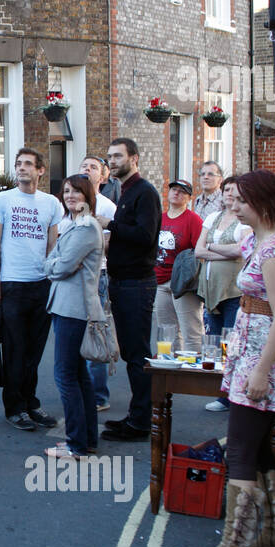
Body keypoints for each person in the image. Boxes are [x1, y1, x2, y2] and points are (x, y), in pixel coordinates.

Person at [185, 170, 275, 547]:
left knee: (241, 450)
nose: (233, 204)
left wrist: (261, 371)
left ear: (261, 203)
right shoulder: (255, 240)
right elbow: (219, 250)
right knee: (260, 450)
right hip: (249, 354)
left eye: (241, 200)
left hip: (265, 363)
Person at [0, 148, 62, 430]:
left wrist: (53, 281)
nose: (22, 168)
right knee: (16, 349)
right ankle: (14, 407)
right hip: (12, 284)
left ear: (40, 170)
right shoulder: (2, 199)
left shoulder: (52, 203)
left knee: (35, 349)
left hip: (41, 284)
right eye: (18, 164)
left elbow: (52, 245)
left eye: (28, 164)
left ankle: (31, 402)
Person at [102, 138, 163, 443]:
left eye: (117, 156)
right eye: (109, 156)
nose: (111, 161)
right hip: (123, 281)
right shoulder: (125, 190)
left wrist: (110, 225)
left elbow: (145, 235)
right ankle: (136, 415)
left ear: (134, 158)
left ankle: (141, 422)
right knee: (131, 352)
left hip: (136, 283)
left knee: (137, 354)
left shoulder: (145, 192)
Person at [42, 174, 105, 458]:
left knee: (65, 376)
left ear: (88, 195)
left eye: (76, 192)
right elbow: (57, 260)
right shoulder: (76, 224)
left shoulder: (85, 228)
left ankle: (76, 444)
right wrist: (55, 262)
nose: (70, 196)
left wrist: (53, 264)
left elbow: (59, 266)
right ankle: (86, 439)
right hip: (69, 306)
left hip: (73, 309)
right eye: (66, 191)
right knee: (79, 377)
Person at [195, 175, 250, 410]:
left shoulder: (244, 221)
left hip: (232, 291)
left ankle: (232, 395)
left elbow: (241, 249)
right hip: (210, 290)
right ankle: (220, 392)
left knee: (231, 343)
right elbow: (198, 251)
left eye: (234, 190)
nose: (229, 194)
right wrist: (223, 252)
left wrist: (212, 247)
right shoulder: (212, 217)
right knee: (214, 343)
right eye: (226, 189)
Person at [69, 155, 117, 412]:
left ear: (103, 176)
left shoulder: (107, 206)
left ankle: (98, 395)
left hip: (96, 276)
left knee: (95, 333)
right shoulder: (68, 204)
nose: (87, 169)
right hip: (70, 279)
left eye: (93, 167)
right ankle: (80, 388)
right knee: (72, 335)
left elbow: (107, 245)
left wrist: (76, 253)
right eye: (84, 165)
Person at [154, 179, 205, 353]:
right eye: (174, 190)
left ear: (189, 198)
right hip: (160, 281)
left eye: (182, 191)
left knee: (191, 331)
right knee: (167, 332)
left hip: (183, 283)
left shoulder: (193, 220)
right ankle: (171, 373)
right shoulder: (159, 218)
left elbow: (199, 252)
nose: (177, 193)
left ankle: (194, 375)